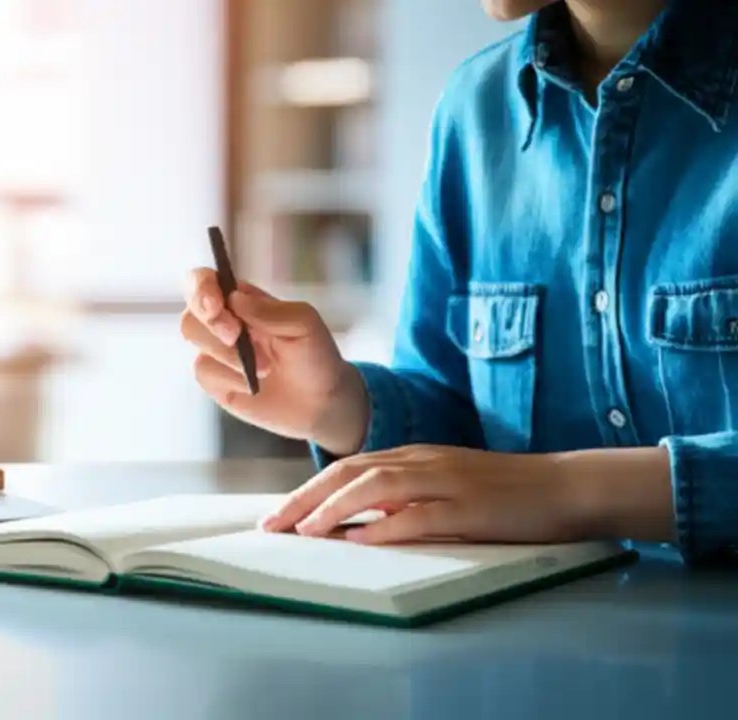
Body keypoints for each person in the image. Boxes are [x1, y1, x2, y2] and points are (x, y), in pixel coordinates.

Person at [181, 0, 738, 563]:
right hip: (524, 638)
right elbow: (455, 418)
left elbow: (512, 486)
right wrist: (341, 405)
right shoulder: (475, 109)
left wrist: (561, 489)